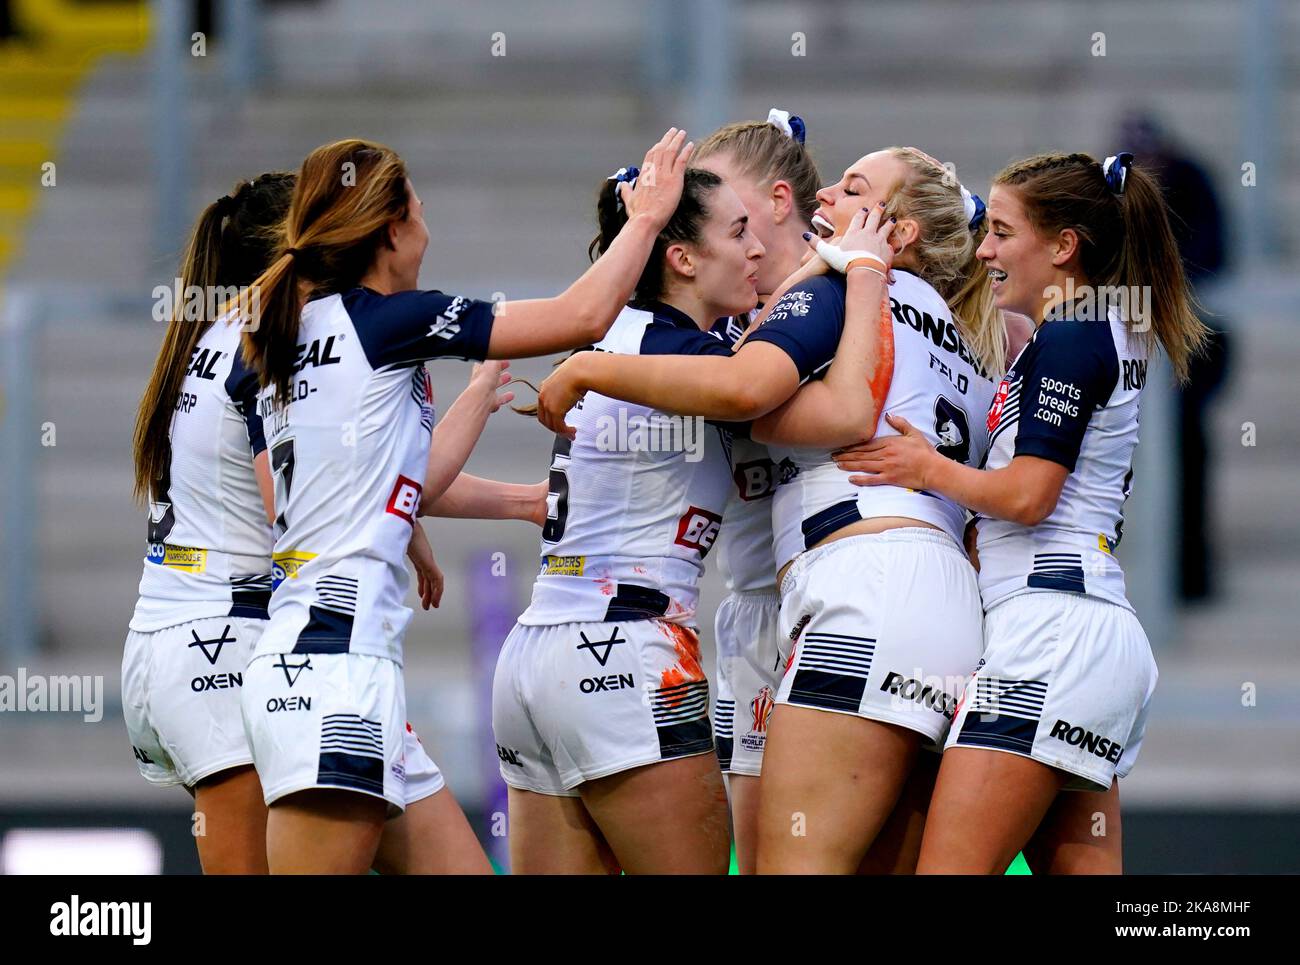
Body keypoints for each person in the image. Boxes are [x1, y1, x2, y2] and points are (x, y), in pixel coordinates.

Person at [236, 130, 694, 874]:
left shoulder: (294, 337)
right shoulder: (389, 319)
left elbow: (394, 480)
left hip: (326, 663)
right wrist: (646, 218)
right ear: (391, 229)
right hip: (333, 670)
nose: (427, 223)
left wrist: (498, 449)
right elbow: (583, 315)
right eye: (418, 209)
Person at [537, 147, 998, 873]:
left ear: (897, 232)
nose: (825, 198)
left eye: (851, 188)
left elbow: (759, 394)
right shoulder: (970, 340)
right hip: (938, 599)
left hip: (860, 581)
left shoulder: (842, 288)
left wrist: (590, 366)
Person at [124, 173, 525, 874]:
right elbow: (313, 498)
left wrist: (510, 508)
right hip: (233, 643)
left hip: (215, 643)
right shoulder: (270, 342)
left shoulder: (219, 337)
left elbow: (343, 479)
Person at [836, 151, 1209, 873]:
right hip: (1086, 622)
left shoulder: (1070, 335)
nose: (985, 250)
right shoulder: (1095, 330)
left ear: (1063, 246)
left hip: (1050, 630)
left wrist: (930, 469)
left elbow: (1032, 495)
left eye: (1003, 232)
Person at [493, 166, 765, 874]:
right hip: (627, 652)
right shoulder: (693, 358)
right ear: (681, 258)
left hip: (531, 658)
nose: (758, 249)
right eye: (738, 232)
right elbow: (761, 390)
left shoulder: (610, 335)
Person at [689, 108, 820, 874]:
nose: (721, 233)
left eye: (732, 212)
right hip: (749, 606)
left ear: (776, 203)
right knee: (763, 853)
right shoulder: (714, 324)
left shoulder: (841, 296)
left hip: (839, 603)